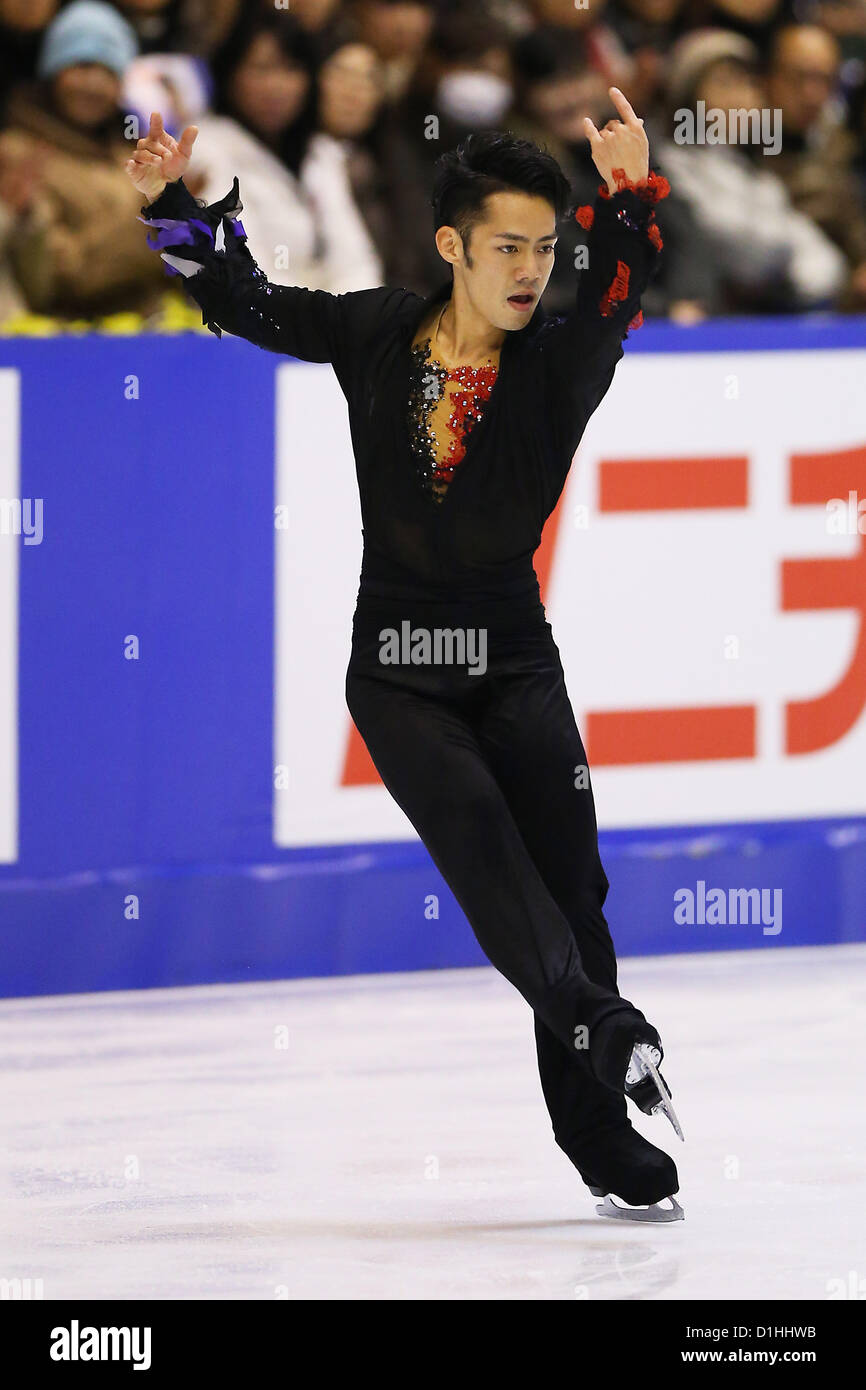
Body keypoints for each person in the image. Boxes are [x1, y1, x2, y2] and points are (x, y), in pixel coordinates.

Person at [125, 89, 684, 1222]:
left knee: (571, 895)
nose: (532, 270)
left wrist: (627, 191)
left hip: (514, 661)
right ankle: (601, 1028)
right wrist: (175, 208)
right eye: (507, 248)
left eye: (546, 247)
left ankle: (597, 1120)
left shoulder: (560, 362)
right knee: (487, 852)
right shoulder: (376, 329)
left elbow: (623, 289)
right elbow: (243, 301)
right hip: (396, 672)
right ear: (452, 247)